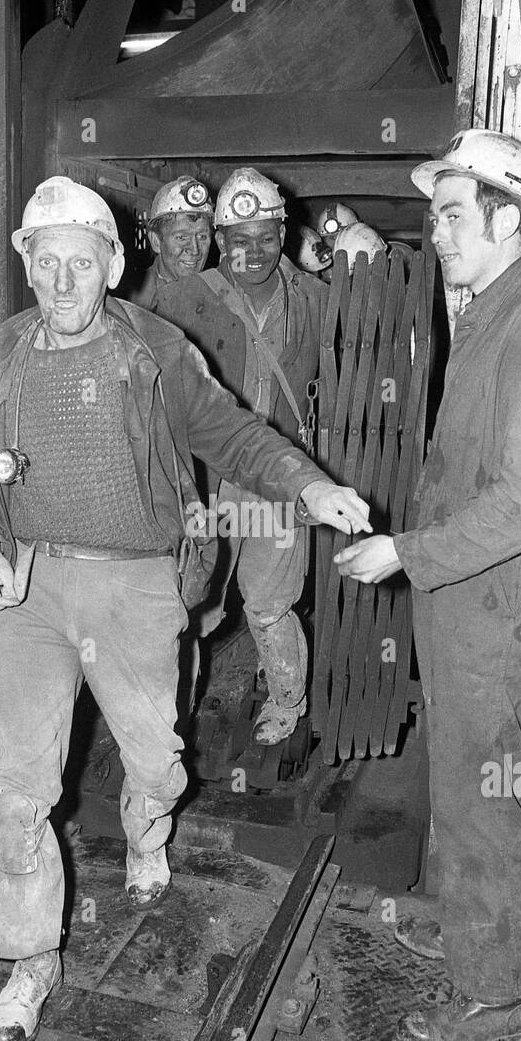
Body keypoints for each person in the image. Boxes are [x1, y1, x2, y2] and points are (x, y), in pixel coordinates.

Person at [0, 175, 371, 1041]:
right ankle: (30, 960)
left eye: (82, 261)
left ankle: (150, 828)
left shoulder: (154, 350)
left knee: (156, 759)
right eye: (46, 263)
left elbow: (229, 435)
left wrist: (307, 483)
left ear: (113, 263)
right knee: (19, 789)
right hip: (29, 592)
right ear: (27, 266)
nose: (63, 282)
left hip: (137, 583)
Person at [335, 129, 521, 1041]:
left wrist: (405, 551)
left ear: (507, 219)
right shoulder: (492, 310)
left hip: (501, 611)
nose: (435, 231)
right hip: (470, 605)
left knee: (487, 802)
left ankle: (495, 1001)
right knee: (461, 781)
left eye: (450, 213)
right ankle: (463, 922)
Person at [156, 166, 326, 745]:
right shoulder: (183, 300)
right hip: (208, 479)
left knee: (270, 603)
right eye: (238, 239)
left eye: (267, 237)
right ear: (220, 241)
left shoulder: (316, 300)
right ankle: (173, 715)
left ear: (285, 233)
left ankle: (287, 700)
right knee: (192, 605)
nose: (253, 252)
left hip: (278, 474)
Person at [132, 174, 214, 311]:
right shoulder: (132, 301)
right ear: (156, 241)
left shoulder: (221, 296)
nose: (195, 250)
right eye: (182, 237)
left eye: (202, 237)